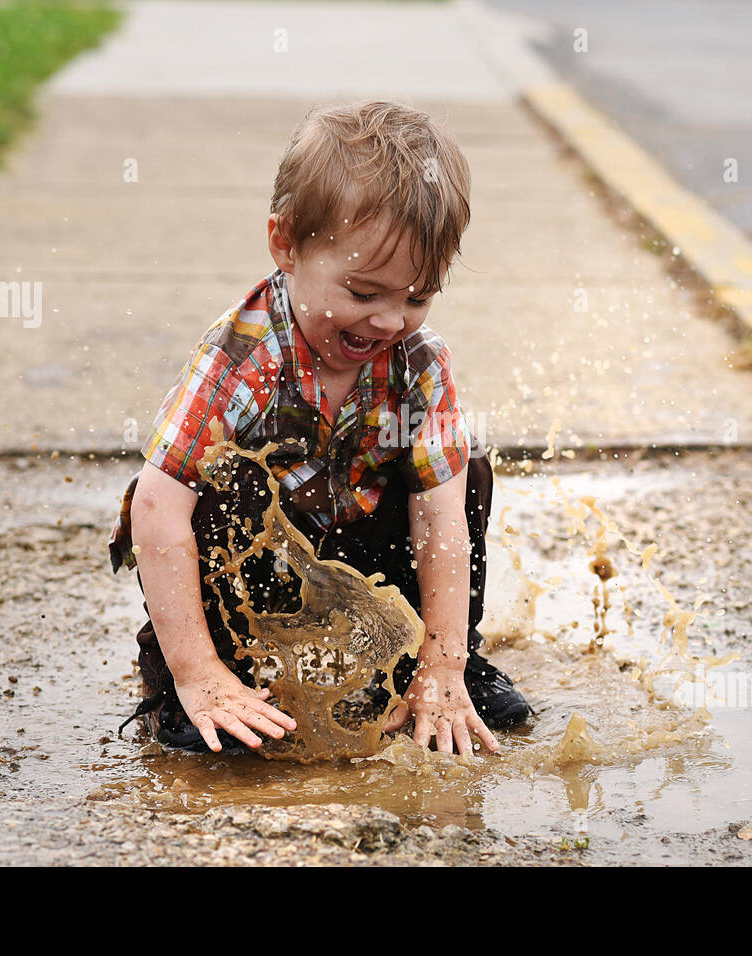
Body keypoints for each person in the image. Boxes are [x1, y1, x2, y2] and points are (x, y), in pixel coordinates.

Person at [108, 100, 532, 759]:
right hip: (257, 563)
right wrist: (197, 670)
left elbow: (441, 522)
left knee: (461, 471)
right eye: (365, 293)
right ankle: (196, 674)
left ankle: (444, 663)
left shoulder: (417, 363)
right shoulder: (239, 363)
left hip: (357, 552)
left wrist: (441, 660)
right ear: (286, 246)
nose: (391, 321)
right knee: (202, 491)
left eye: (418, 296)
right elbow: (160, 511)